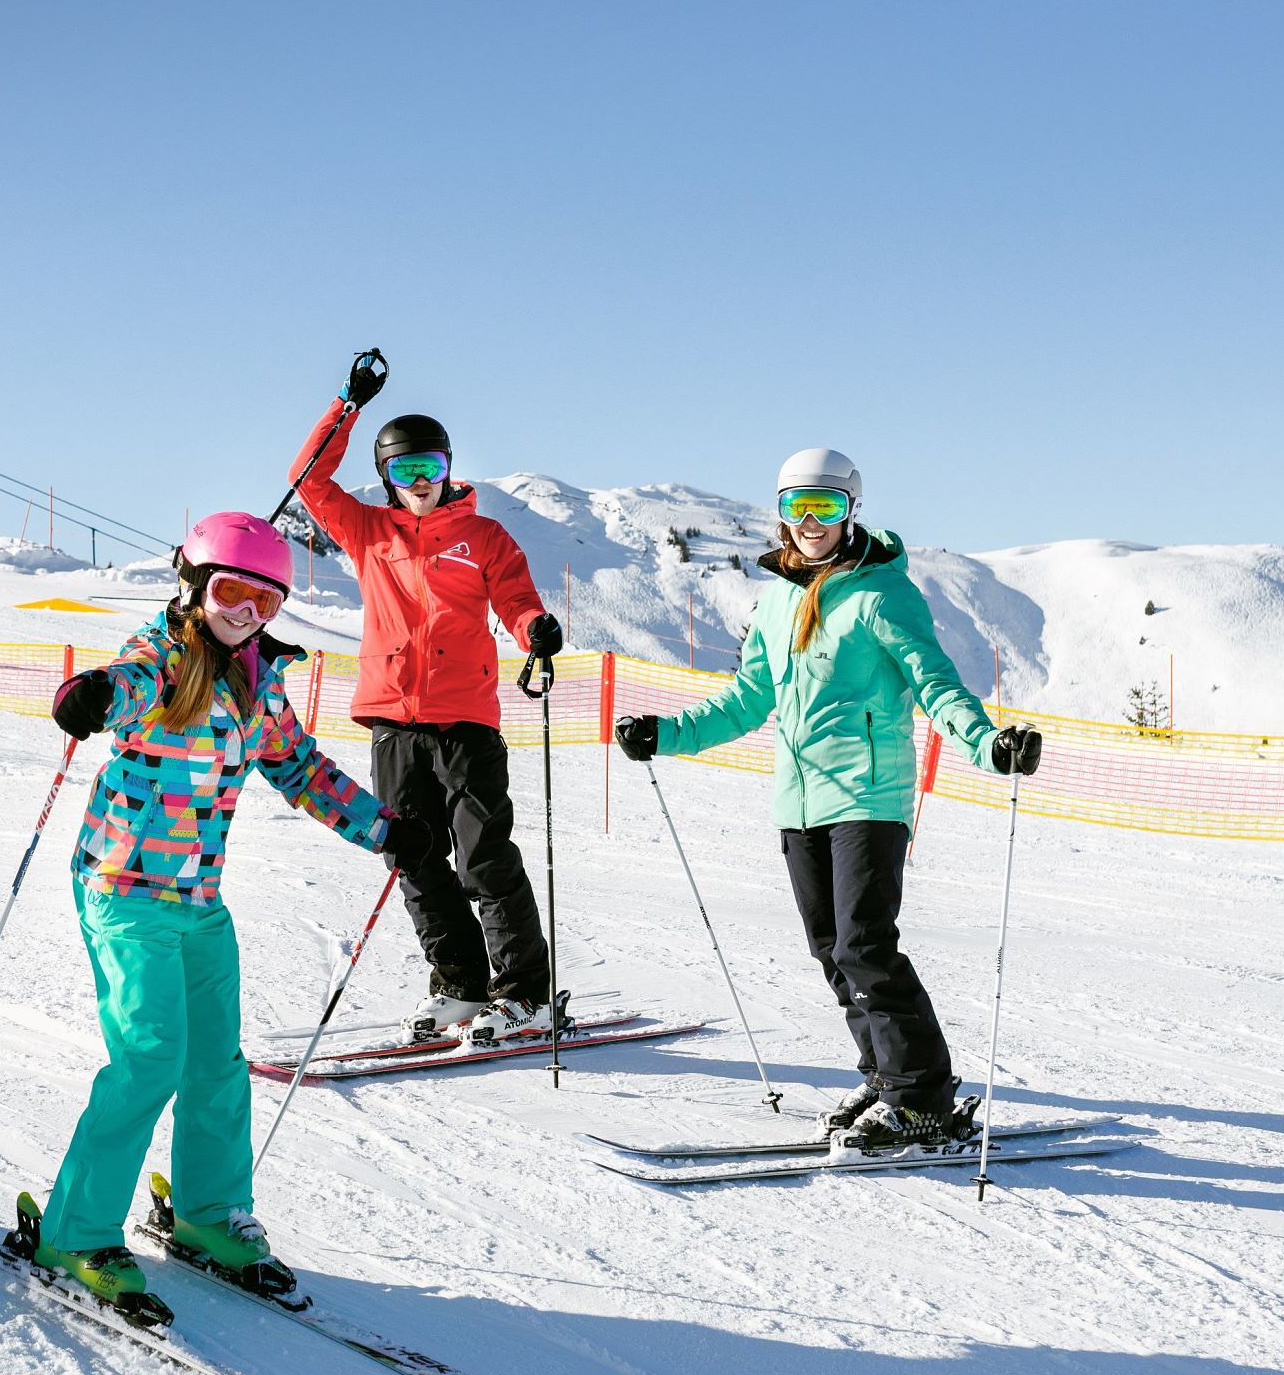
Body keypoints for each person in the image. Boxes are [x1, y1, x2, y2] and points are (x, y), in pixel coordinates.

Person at [6, 511, 436, 1324]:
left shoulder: (256, 681)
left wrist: (383, 830)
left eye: (266, 602)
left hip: (198, 900)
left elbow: (299, 766)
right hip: (123, 889)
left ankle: (207, 1211)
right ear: (195, 584)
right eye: (233, 592)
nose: (246, 613)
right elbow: (122, 683)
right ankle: (76, 1229)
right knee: (149, 1059)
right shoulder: (162, 661)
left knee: (216, 1061)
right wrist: (90, 695)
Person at [612, 448, 1045, 1152]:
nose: (811, 522)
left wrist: (988, 743)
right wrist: (666, 733)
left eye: (828, 507)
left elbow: (935, 684)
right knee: (831, 950)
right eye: (796, 507)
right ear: (780, 513)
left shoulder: (882, 594)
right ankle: (883, 1073)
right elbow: (750, 698)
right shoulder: (779, 597)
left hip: (870, 794)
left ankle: (923, 1097)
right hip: (800, 800)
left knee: (865, 943)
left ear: (852, 511)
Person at [287, 361, 566, 1048]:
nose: (420, 481)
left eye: (431, 466)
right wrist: (345, 406)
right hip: (392, 721)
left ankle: (526, 994)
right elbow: (308, 481)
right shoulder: (366, 531)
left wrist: (536, 630)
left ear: (449, 468)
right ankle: (462, 984)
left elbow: (517, 600)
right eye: (406, 470)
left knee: (484, 861)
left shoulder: (486, 538)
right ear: (387, 475)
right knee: (412, 857)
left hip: (466, 720)